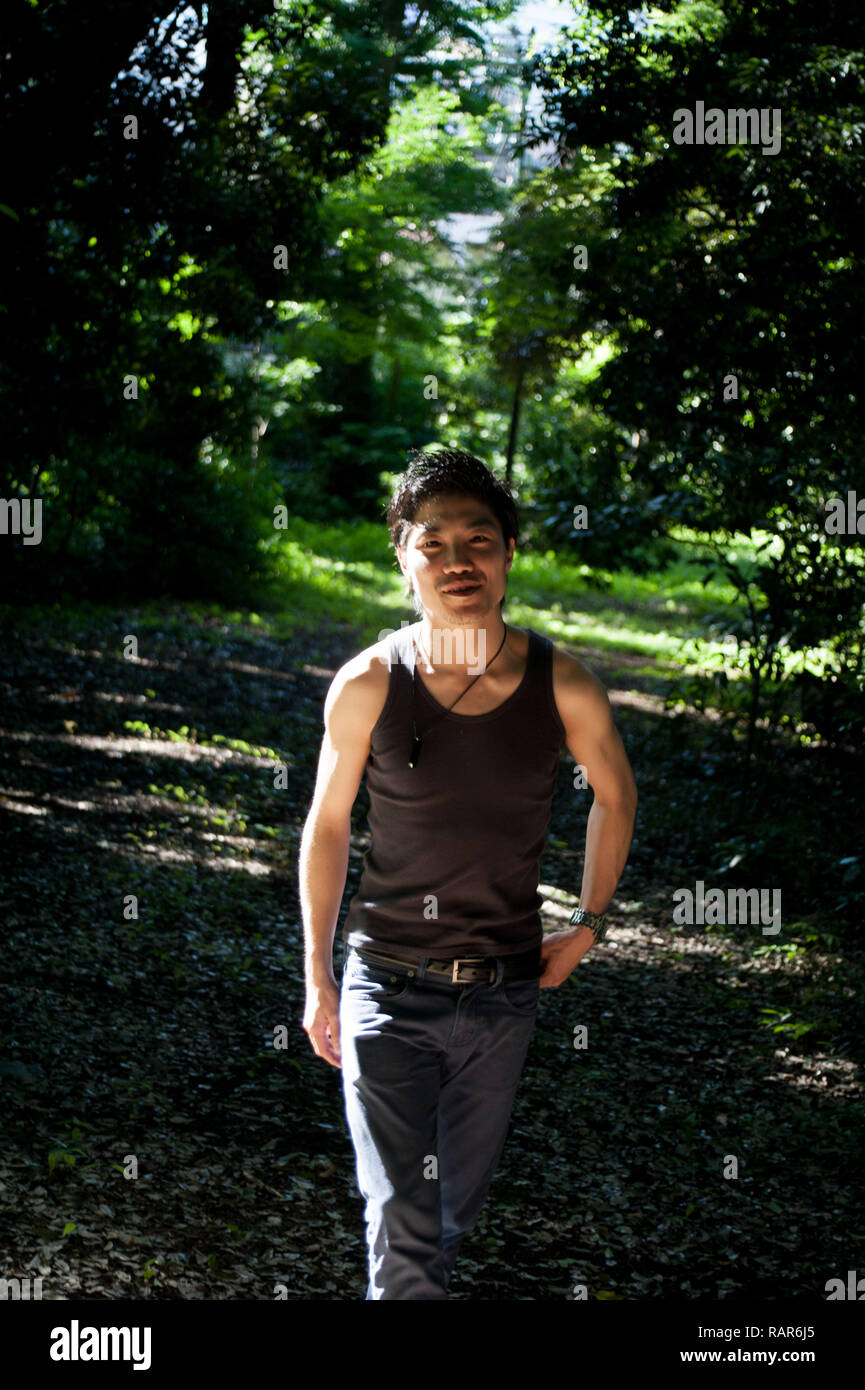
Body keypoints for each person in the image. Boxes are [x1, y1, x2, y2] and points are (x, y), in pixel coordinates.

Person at [299, 448, 637, 1299]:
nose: (457, 560)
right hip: (387, 985)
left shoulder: (561, 683)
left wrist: (589, 924)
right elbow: (328, 824)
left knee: (450, 1215)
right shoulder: (369, 683)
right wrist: (316, 973)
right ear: (403, 558)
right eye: (433, 541)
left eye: (478, 539)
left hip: (501, 992)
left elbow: (614, 795)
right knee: (404, 1231)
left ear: (509, 552)